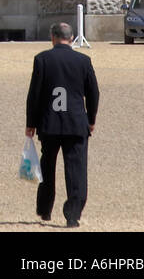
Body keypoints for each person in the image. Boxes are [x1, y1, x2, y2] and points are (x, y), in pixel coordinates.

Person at [26, 22, 100, 228]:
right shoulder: (83, 60)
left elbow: (34, 95)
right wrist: (91, 119)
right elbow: (93, 93)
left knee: (47, 167)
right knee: (76, 169)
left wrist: (30, 123)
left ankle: (44, 209)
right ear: (71, 37)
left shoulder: (42, 59)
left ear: (53, 37)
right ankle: (73, 214)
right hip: (76, 123)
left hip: (49, 123)